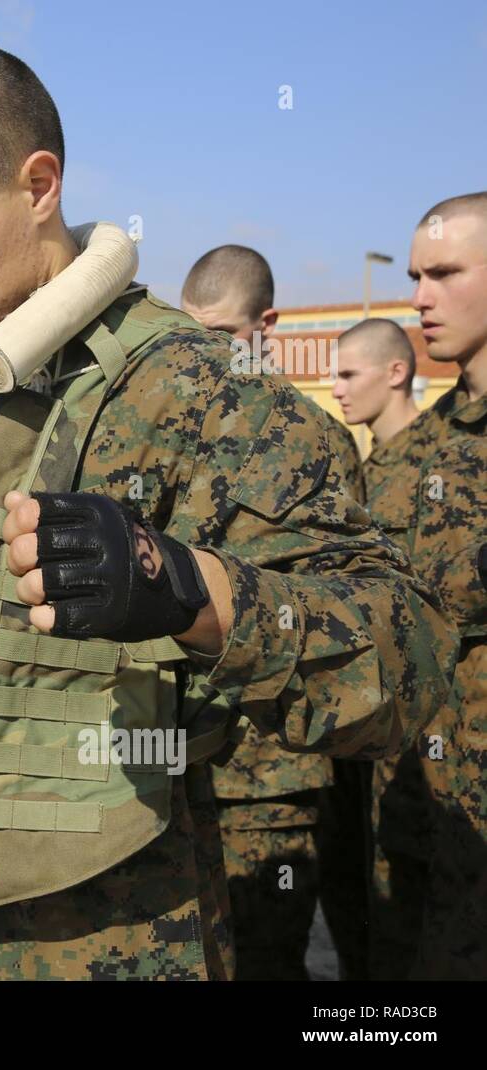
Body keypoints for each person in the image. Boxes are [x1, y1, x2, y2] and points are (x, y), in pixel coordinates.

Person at [0, 39, 456, 981]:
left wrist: (188, 591)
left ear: (38, 185)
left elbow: (406, 665)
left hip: (88, 939)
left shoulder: (196, 396)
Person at [180, 245, 362, 979]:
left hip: (269, 774)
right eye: (192, 339)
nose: (204, 358)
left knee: (266, 959)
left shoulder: (314, 440)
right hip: (174, 761)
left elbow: (349, 602)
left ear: (268, 325)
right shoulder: (177, 433)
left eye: (221, 337)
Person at [400, 193, 487, 980]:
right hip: (430, 808)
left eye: (445, 274)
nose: (420, 298)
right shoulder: (416, 449)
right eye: (415, 276)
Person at [332, 317, 430, 978]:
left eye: (348, 374)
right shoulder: (369, 469)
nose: (335, 389)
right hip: (381, 731)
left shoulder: (444, 461)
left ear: (395, 372)